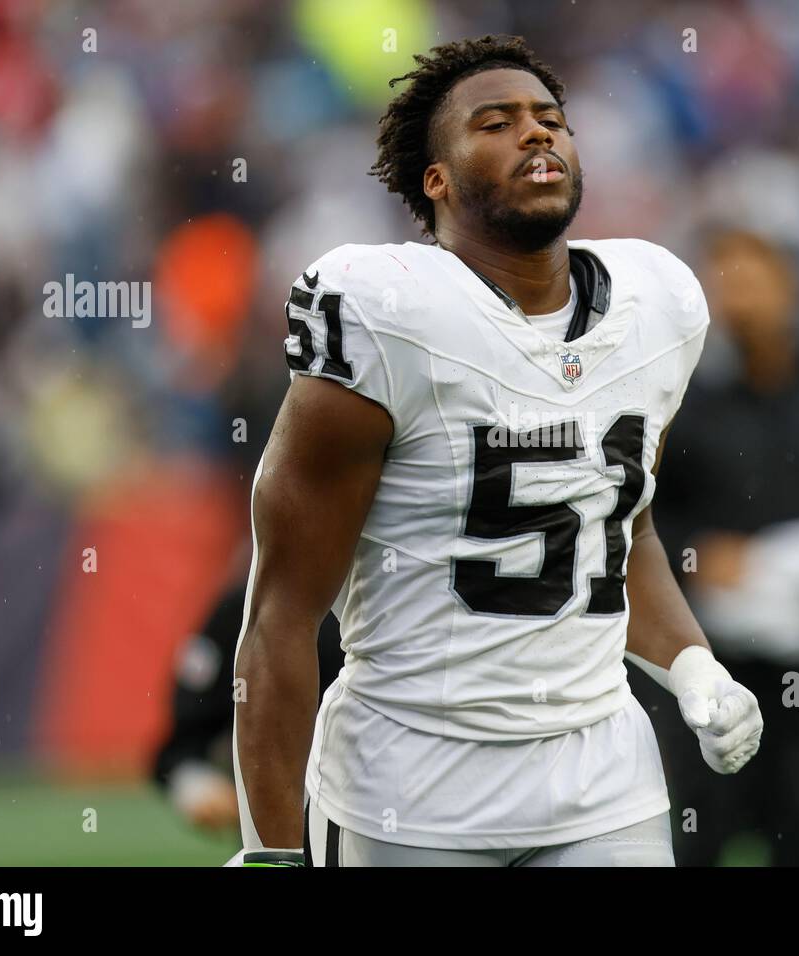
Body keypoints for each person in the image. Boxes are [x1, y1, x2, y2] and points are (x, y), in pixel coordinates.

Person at [230, 35, 764, 867]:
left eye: (552, 119)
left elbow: (623, 529)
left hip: (600, 771)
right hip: (408, 784)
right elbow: (282, 613)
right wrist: (269, 850)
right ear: (435, 178)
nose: (537, 134)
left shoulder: (657, 304)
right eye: (497, 122)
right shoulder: (384, 311)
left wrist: (694, 666)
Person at [636, 230, 799, 866]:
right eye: (727, 283)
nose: (742, 299)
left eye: (754, 279)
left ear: (791, 288)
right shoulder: (683, 402)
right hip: (709, 669)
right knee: (695, 841)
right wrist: (701, 553)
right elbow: (641, 517)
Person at [152, 581, 342, 834]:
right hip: (279, 826)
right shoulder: (244, 606)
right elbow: (186, 733)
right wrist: (194, 781)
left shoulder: (390, 606)